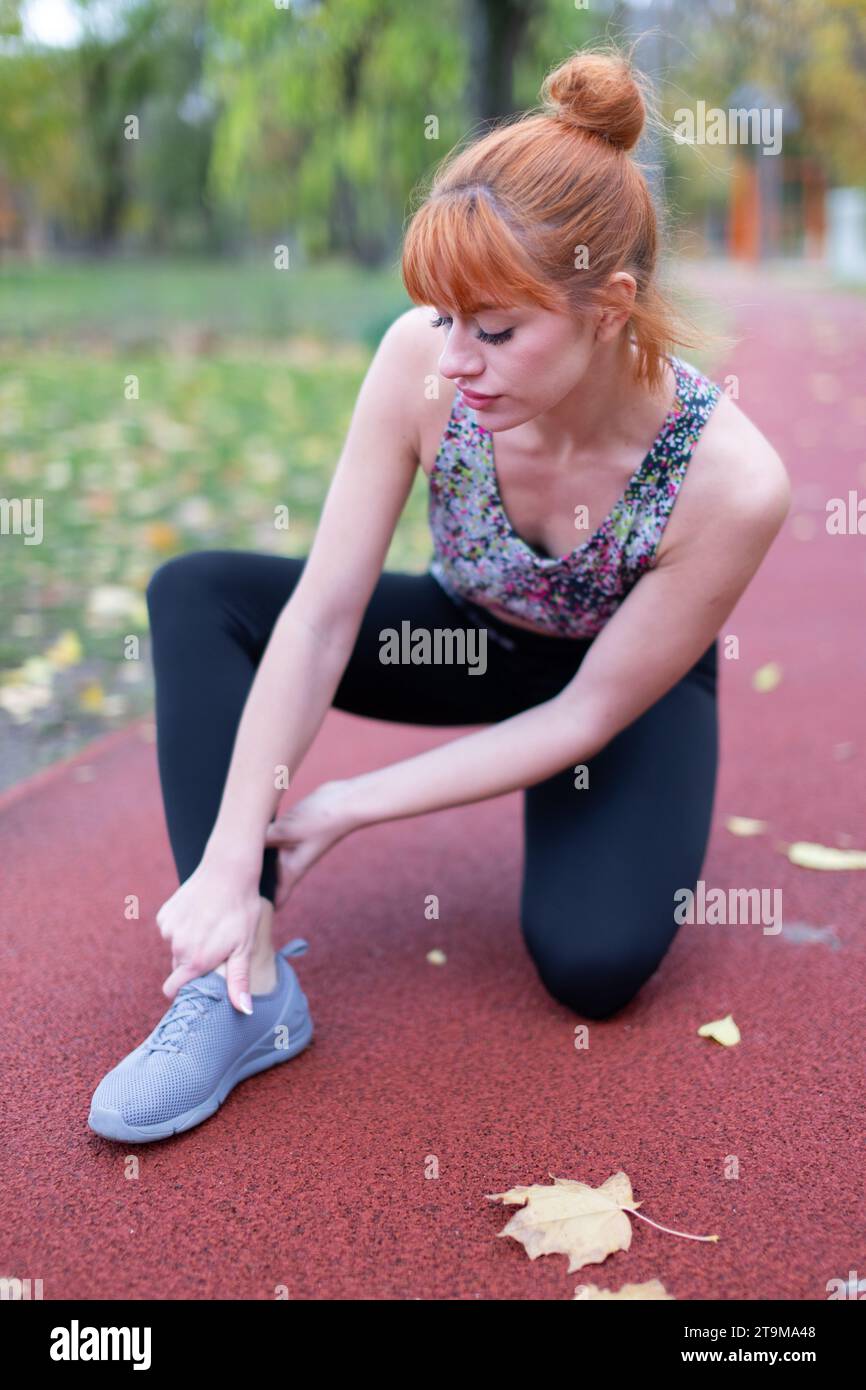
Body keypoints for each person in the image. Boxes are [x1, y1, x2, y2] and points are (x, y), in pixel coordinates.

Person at [89, 45, 790, 1143]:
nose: (452, 357)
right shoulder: (421, 361)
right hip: (461, 638)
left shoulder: (731, 480)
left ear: (609, 306)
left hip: (613, 692)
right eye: (442, 316)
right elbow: (322, 617)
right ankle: (235, 974)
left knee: (594, 968)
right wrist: (238, 857)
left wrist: (345, 803)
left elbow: (582, 715)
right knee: (199, 591)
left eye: (494, 330)